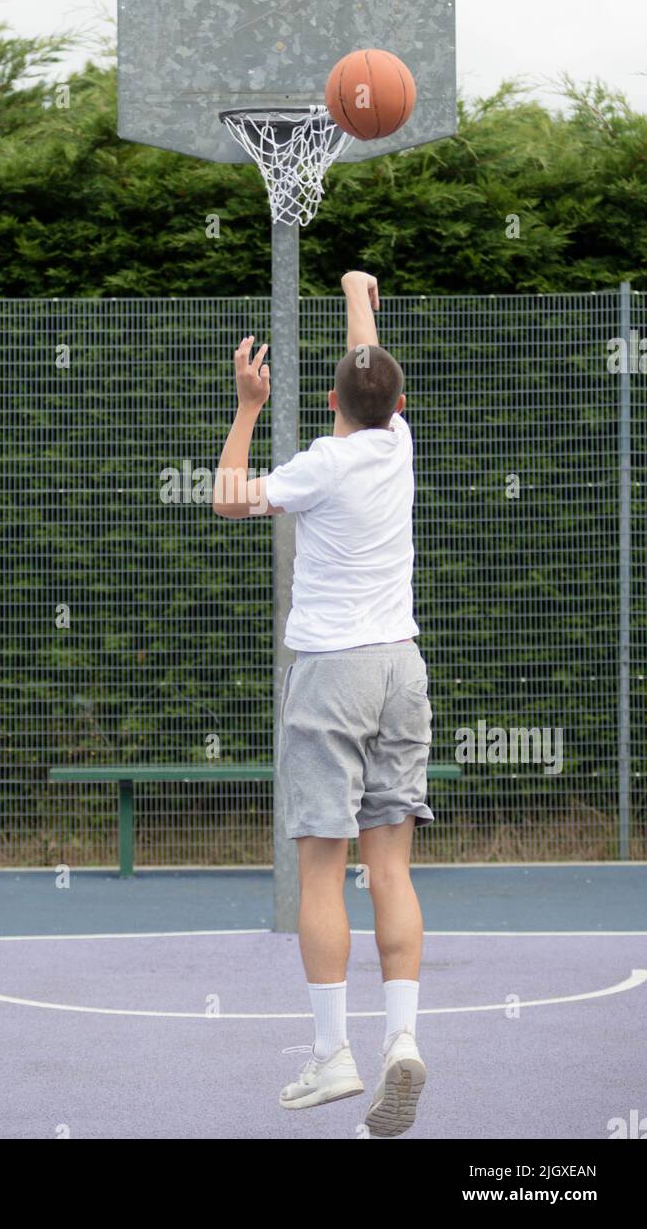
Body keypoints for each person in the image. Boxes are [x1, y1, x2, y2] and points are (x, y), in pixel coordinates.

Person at [212, 270, 432, 1138]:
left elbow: (228, 499)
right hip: (402, 669)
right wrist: (356, 292)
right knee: (391, 870)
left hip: (332, 673)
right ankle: (404, 1039)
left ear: (331, 400)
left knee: (318, 869)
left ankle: (335, 1054)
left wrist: (248, 405)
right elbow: (370, 369)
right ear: (398, 401)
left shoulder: (322, 462)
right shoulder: (398, 443)